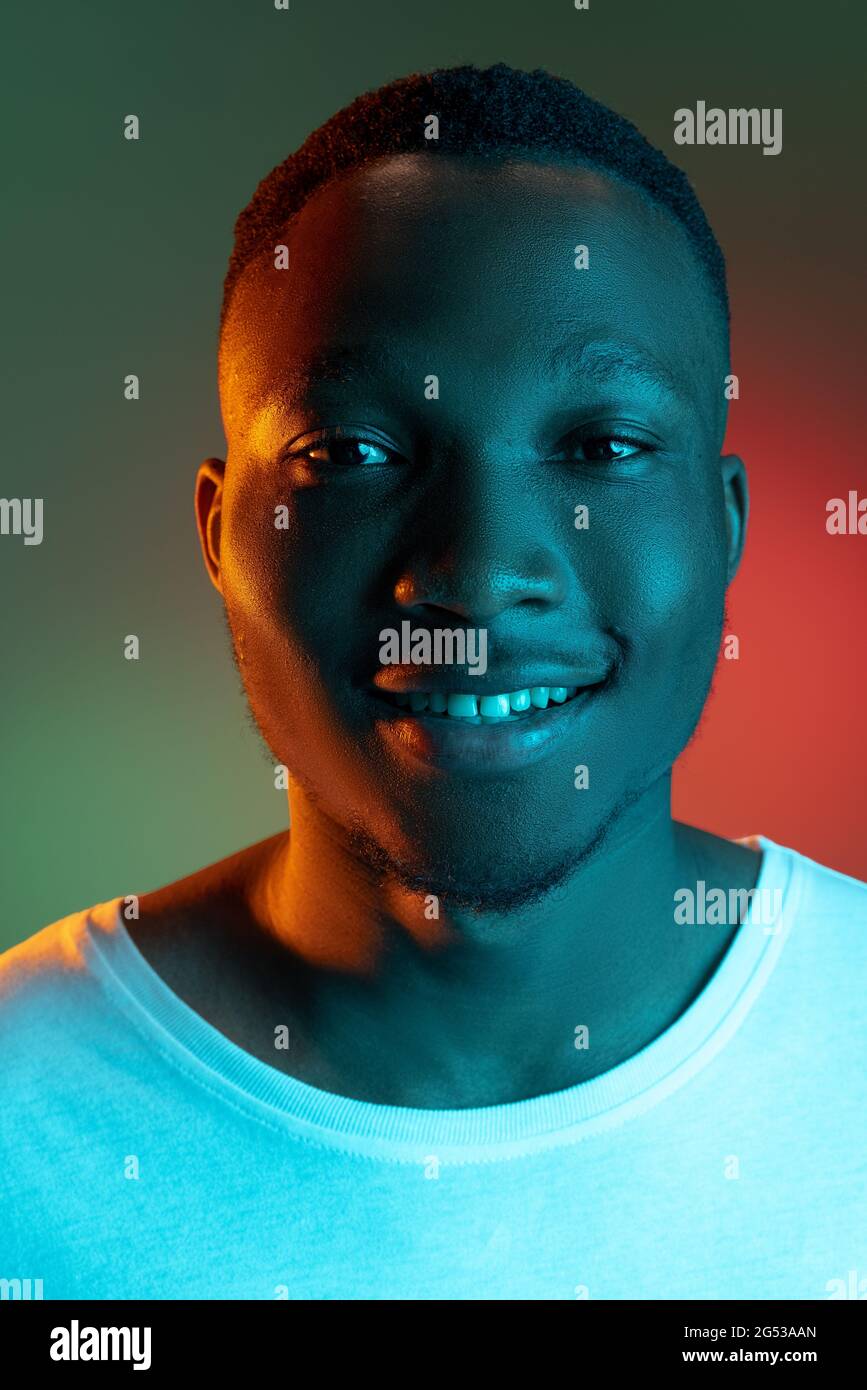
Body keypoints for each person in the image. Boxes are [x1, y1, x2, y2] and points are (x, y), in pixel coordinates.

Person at [2, 63, 865, 1301]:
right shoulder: (19, 1108)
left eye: (604, 446)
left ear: (724, 526)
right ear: (218, 532)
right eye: (349, 451)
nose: (476, 575)